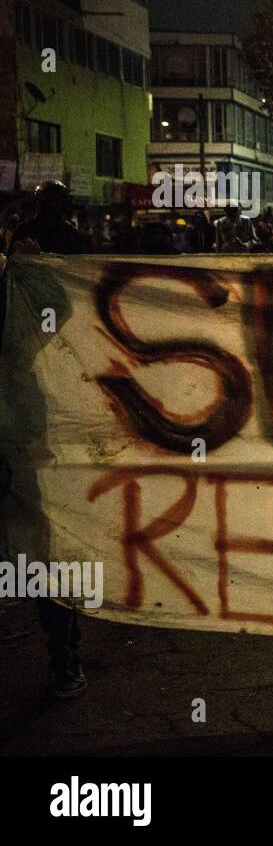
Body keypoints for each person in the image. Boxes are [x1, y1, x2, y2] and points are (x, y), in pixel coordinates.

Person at [4, 180, 90, 698]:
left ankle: (64, 654)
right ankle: (64, 655)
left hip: (21, 427)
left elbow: (59, 310)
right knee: (38, 548)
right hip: (26, 427)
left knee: (38, 548)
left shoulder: (30, 267)